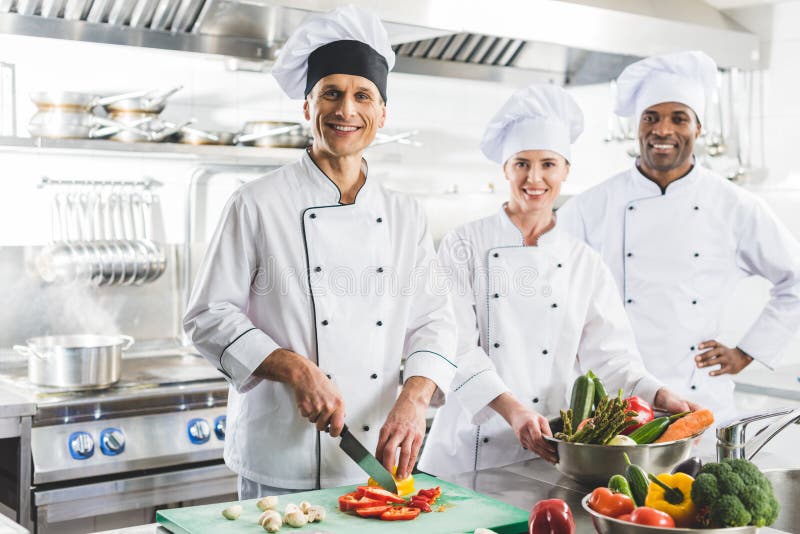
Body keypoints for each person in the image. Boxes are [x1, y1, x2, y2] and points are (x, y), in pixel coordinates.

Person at [184, 5, 457, 498]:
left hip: (373, 449)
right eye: (330, 93)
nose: (345, 110)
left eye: (362, 96)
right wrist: (295, 368)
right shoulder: (257, 202)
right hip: (279, 458)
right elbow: (206, 315)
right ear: (307, 107)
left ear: (382, 113)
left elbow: (435, 320)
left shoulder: (405, 214)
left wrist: (415, 398)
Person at [417, 85, 695, 476]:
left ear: (565, 170)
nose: (535, 177)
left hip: (548, 448)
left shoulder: (584, 262)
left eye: (548, 164)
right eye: (522, 164)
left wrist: (658, 393)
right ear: (505, 169)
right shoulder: (465, 243)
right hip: (467, 449)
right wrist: (513, 411)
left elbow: (613, 357)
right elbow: (456, 346)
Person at [558, 51, 800, 420]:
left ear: (698, 129)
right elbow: (555, 289)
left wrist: (746, 352)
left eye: (679, 118)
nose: (663, 130)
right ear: (638, 126)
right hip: (614, 401)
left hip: (698, 396)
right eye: (651, 117)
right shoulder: (590, 206)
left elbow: (794, 279)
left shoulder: (734, 205)